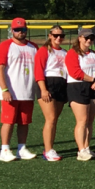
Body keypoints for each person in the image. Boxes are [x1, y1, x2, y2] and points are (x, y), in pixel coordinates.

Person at [0, 17, 38, 162]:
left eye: (23, 29)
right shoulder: (5, 46)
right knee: (8, 121)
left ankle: (22, 148)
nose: (20, 32)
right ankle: (5, 149)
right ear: (12, 30)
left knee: (24, 122)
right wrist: (4, 89)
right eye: (17, 30)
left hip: (27, 91)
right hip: (11, 92)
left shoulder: (33, 47)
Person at [65, 28, 95, 161]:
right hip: (78, 87)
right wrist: (94, 80)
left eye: (91, 38)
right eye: (86, 38)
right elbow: (75, 72)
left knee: (90, 120)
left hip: (94, 87)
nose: (89, 40)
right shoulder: (73, 53)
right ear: (80, 38)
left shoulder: (94, 54)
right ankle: (81, 150)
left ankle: (87, 147)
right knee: (82, 120)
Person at [34, 24, 67, 162]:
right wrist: (43, 89)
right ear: (50, 36)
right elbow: (38, 70)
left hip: (61, 85)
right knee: (51, 118)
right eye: (55, 35)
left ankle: (49, 148)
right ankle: (48, 151)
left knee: (54, 120)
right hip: (48, 84)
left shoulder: (65, 52)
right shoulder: (44, 50)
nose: (58, 38)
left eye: (61, 36)